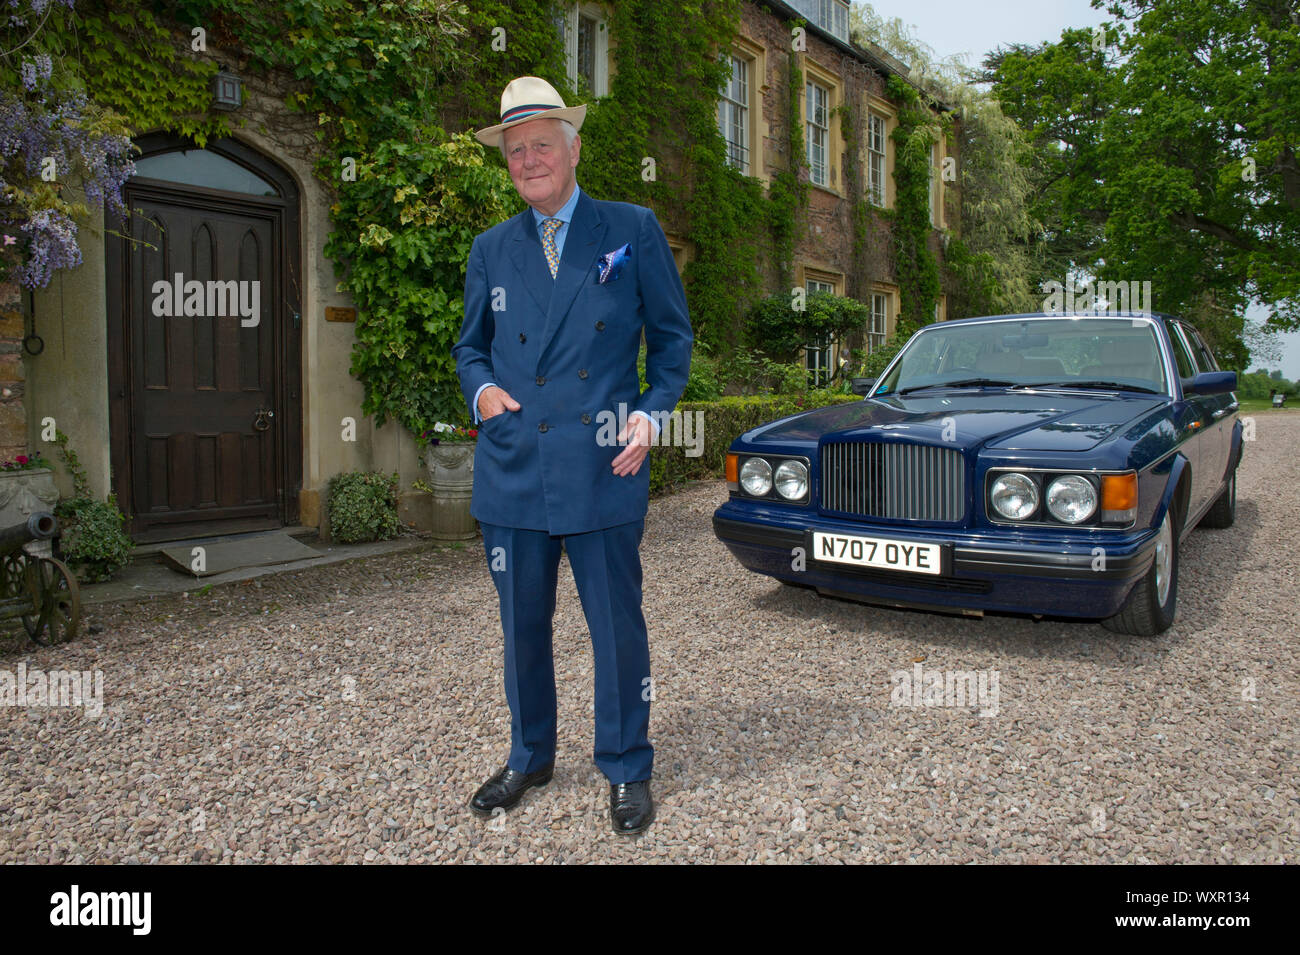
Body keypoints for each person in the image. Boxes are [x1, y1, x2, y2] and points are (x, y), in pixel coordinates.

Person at [452, 76, 693, 834]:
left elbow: (674, 339)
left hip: (603, 460)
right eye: (516, 149)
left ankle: (626, 763)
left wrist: (652, 417)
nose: (529, 159)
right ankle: (530, 754)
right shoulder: (490, 249)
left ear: (573, 146)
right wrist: (482, 393)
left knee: (615, 625)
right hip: (515, 465)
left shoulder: (632, 228)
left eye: (541, 144)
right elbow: (470, 350)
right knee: (521, 625)